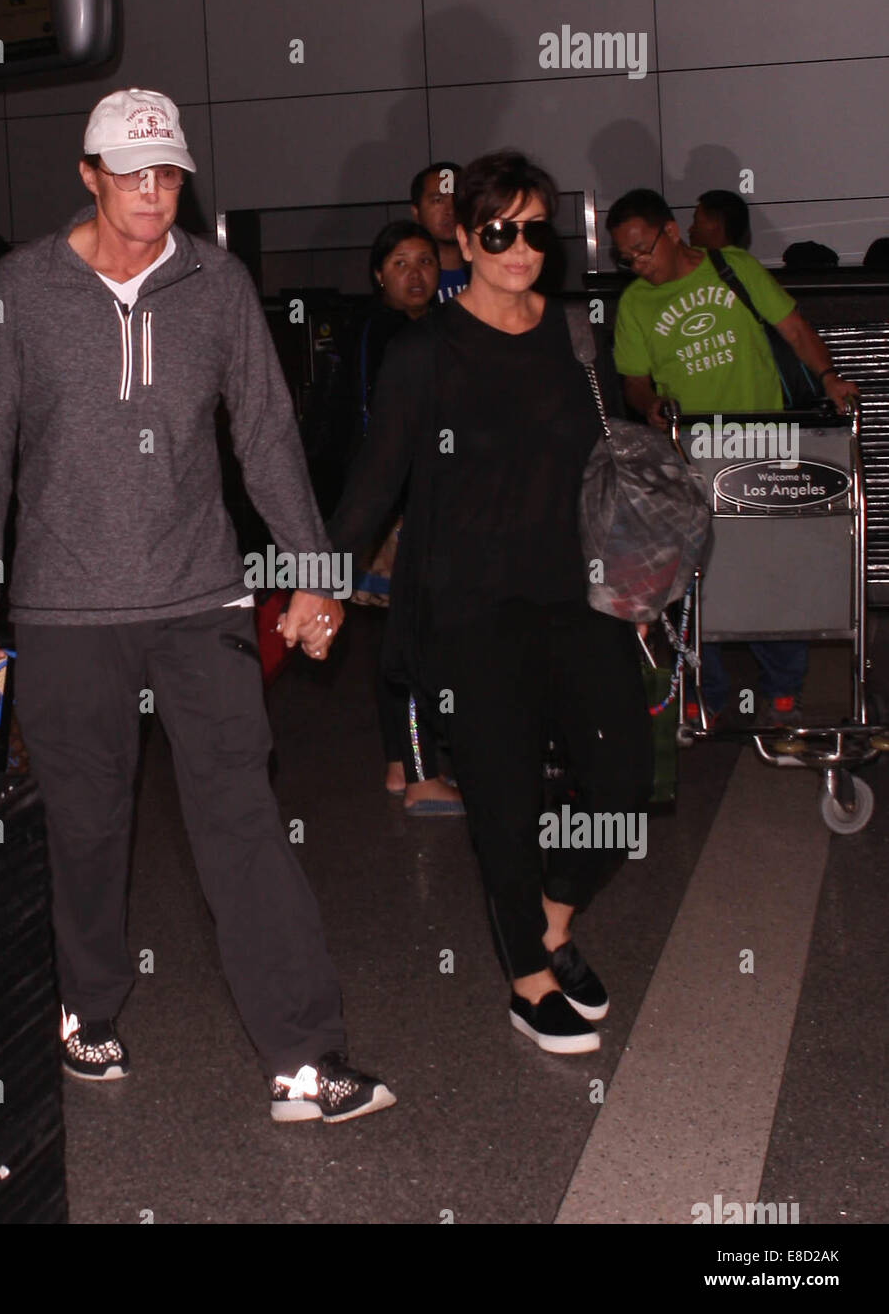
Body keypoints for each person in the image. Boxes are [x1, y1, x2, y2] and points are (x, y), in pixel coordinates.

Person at [0, 87, 394, 1123]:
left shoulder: (217, 282)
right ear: (89, 173)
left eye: (170, 174)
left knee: (242, 819)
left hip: (202, 599)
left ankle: (303, 1057)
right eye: (132, 173)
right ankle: (85, 1007)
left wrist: (315, 573)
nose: (153, 193)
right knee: (86, 828)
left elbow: (269, 439)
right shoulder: (21, 288)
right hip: (62, 613)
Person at [332, 150, 652, 1054]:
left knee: (624, 787)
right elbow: (371, 491)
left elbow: (605, 462)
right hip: (469, 615)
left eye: (533, 230)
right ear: (464, 238)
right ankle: (527, 979)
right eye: (498, 231)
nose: (519, 249)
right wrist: (316, 590)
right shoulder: (423, 354)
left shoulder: (576, 334)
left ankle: (550, 921)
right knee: (506, 805)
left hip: (582, 598)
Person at [607, 188, 859, 728]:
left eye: (643, 250)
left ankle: (784, 690)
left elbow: (794, 328)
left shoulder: (733, 268)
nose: (638, 265)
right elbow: (632, 381)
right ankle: (706, 690)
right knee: (699, 576)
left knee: (772, 568)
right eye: (626, 259)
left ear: (671, 232)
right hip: (692, 449)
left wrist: (830, 376)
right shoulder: (634, 304)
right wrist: (650, 404)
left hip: (764, 442)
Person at [351, 221, 463, 816]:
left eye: (425, 262)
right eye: (400, 263)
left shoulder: (414, 330)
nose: (417, 274)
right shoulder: (390, 334)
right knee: (417, 638)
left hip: (395, 505)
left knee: (400, 635)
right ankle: (421, 773)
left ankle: (401, 762)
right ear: (378, 275)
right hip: (400, 508)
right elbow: (383, 435)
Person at [410, 161, 469, 302]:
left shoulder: (490, 273)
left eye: (457, 199)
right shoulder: (411, 281)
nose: (450, 210)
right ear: (416, 212)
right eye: (438, 200)